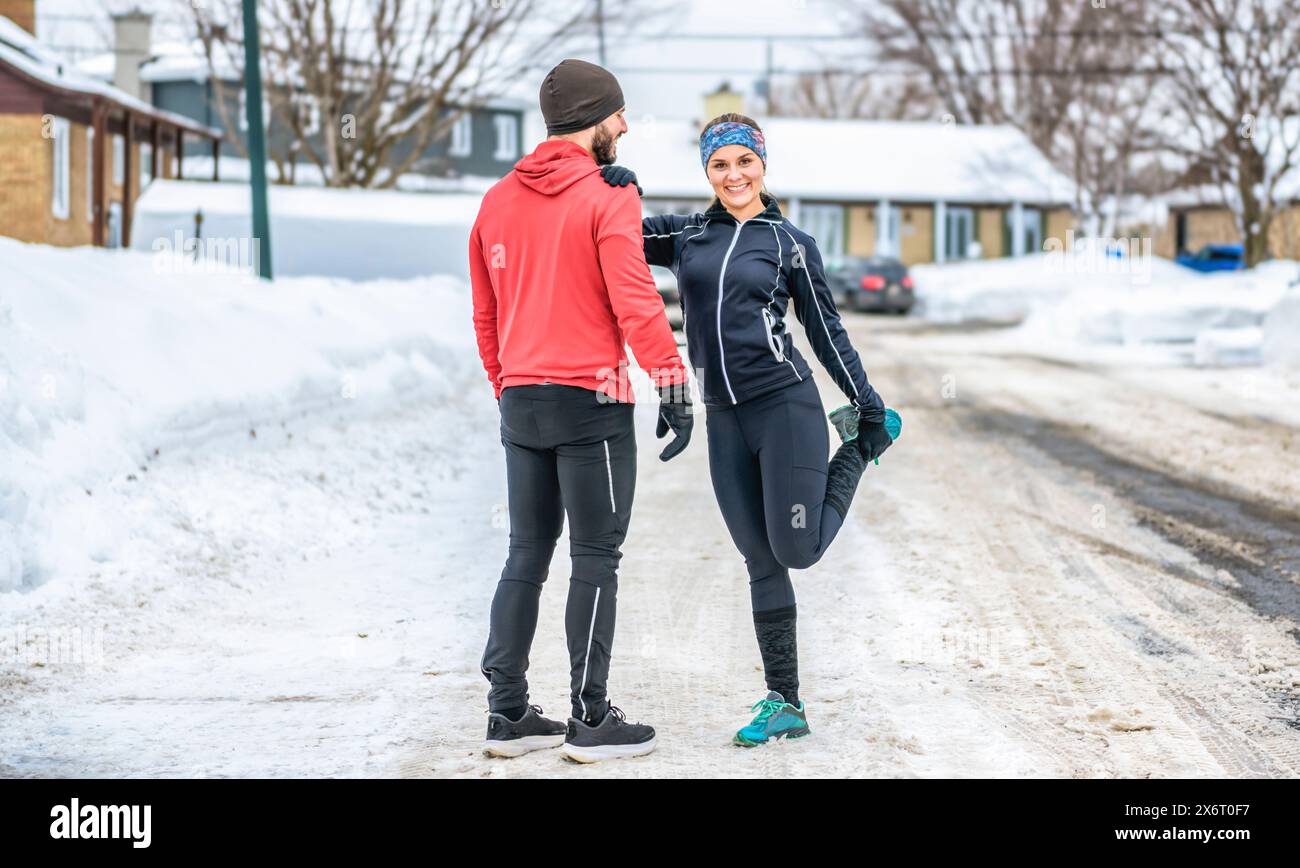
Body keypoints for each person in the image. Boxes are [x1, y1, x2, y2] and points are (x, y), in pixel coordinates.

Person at [600, 113, 894, 747]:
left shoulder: (790, 243)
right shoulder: (685, 234)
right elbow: (612, 237)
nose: (733, 174)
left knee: (797, 549)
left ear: (762, 165)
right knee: (760, 560)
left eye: (744, 162)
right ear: (706, 172)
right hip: (725, 417)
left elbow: (825, 333)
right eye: (719, 165)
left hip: (784, 407)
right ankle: (785, 702)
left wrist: (866, 405)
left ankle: (857, 450)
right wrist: (607, 184)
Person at [468, 59, 694, 763]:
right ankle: (590, 719)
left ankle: (507, 713)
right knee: (596, 556)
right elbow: (635, 301)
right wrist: (674, 386)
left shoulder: (497, 200)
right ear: (593, 120)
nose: (624, 125)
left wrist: (507, 386)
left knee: (526, 554)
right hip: (591, 404)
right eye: (617, 115)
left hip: (523, 401)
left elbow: (485, 311)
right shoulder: (607, 197)